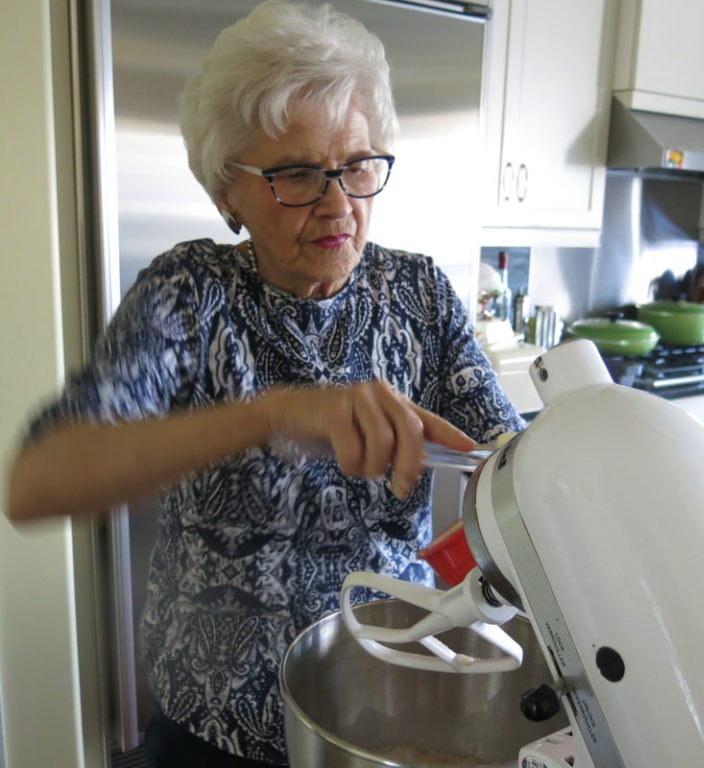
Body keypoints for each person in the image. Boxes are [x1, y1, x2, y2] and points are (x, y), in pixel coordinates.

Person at [6, 1, 524, 765]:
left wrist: (516, 477)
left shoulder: (418, 294)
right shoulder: (190, 292)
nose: (339, 204)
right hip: (211, 731)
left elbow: (513, 468)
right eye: (297, 175)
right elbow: (38, 482)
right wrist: (269, 415)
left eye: (357, 166)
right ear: (227, 191)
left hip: (382, 713)